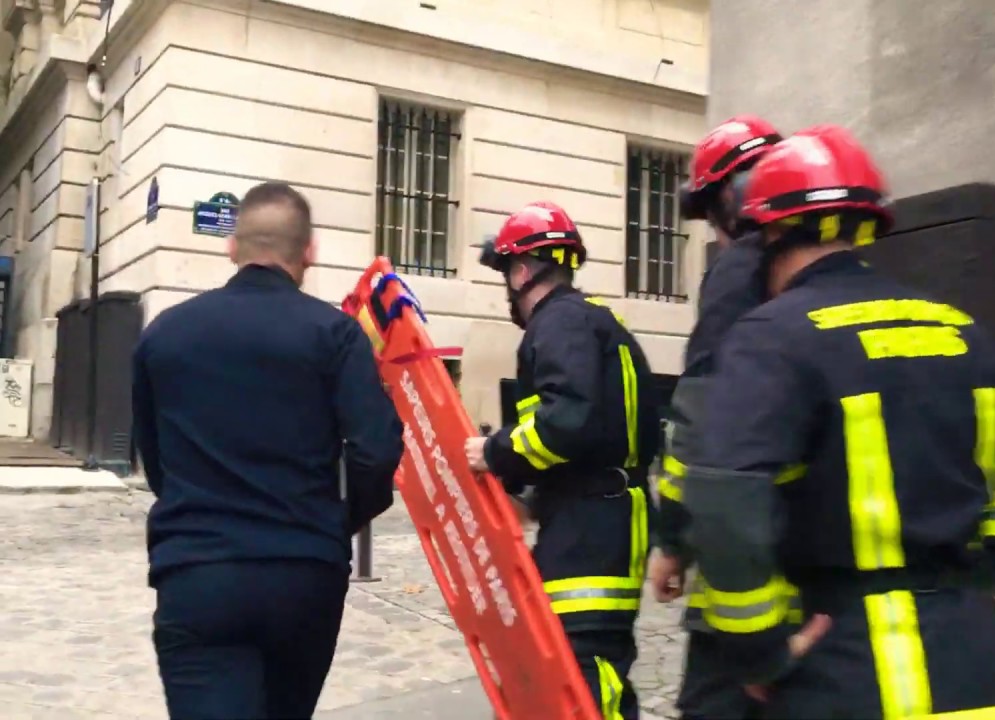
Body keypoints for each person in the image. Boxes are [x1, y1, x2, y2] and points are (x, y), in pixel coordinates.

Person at [680, 125, 995, 718]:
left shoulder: (770, 337)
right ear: (865, 229)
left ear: (767, 235)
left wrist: (757, 649)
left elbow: (724, 499)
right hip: (973, 665)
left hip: (843, 667)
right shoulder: (957, 328)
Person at [132, 182, 404, 720]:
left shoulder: (165, 333)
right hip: (303, 573)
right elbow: (376, 450)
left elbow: (154, 455)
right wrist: (334, 520)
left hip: (197, 570)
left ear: (231, 246)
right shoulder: (336, 334)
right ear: (309, 252)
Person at [462, 201, 661, 720]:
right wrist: (530, 494)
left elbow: (566, 422)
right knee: (588, 660)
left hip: (593, 524)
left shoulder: (557, 324)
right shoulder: (588, 320)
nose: (507, 287)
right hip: (597, 513)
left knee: (584, 671)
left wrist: (494, 452)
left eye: (507, 273)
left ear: (523, 270)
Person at [646, 114, 792, 720]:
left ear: (733, 199)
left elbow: (700, 416)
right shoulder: (821, 270)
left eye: (710, 212)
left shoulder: (740, 269)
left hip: (746, 555)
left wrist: (672, 539)